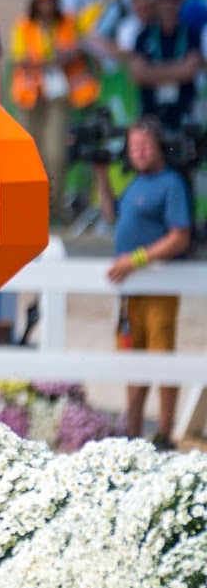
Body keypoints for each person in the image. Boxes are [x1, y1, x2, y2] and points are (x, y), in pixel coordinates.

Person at [95, 115, 192, 447]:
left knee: (161, 359)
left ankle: (165, 435)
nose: (137, 151)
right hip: (129, 292)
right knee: (130, 358)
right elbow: (111, 215)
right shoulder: (134, 183)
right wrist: (101, 174)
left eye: (144, 145)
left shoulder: (171, 183)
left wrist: (136, 260)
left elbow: (179, 237)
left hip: (158, 288)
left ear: (158, 146)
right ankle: (133, 433)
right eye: (133, 145)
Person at [10, 0, 100, 223]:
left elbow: (82, 43)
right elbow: (19, 57)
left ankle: (52, 211)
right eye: (43, 0)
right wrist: (44, 61)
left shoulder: (69, 23)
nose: (47, 5)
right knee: (29, 154)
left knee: (56, 154)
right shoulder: (24, 25)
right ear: (36, 2)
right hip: (31, 97)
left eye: (52, 0)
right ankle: (27, 208)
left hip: (59, 95)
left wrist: (67, 56)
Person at [128, 0, 203, 131]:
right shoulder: (144, 35)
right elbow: (137, 74)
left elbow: (189, 70)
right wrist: (177, 70)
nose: (168, 4)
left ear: (181, 1)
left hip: (184, 113)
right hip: (151, 114)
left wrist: (152, 71)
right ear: (157, 1)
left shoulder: (191, 34)